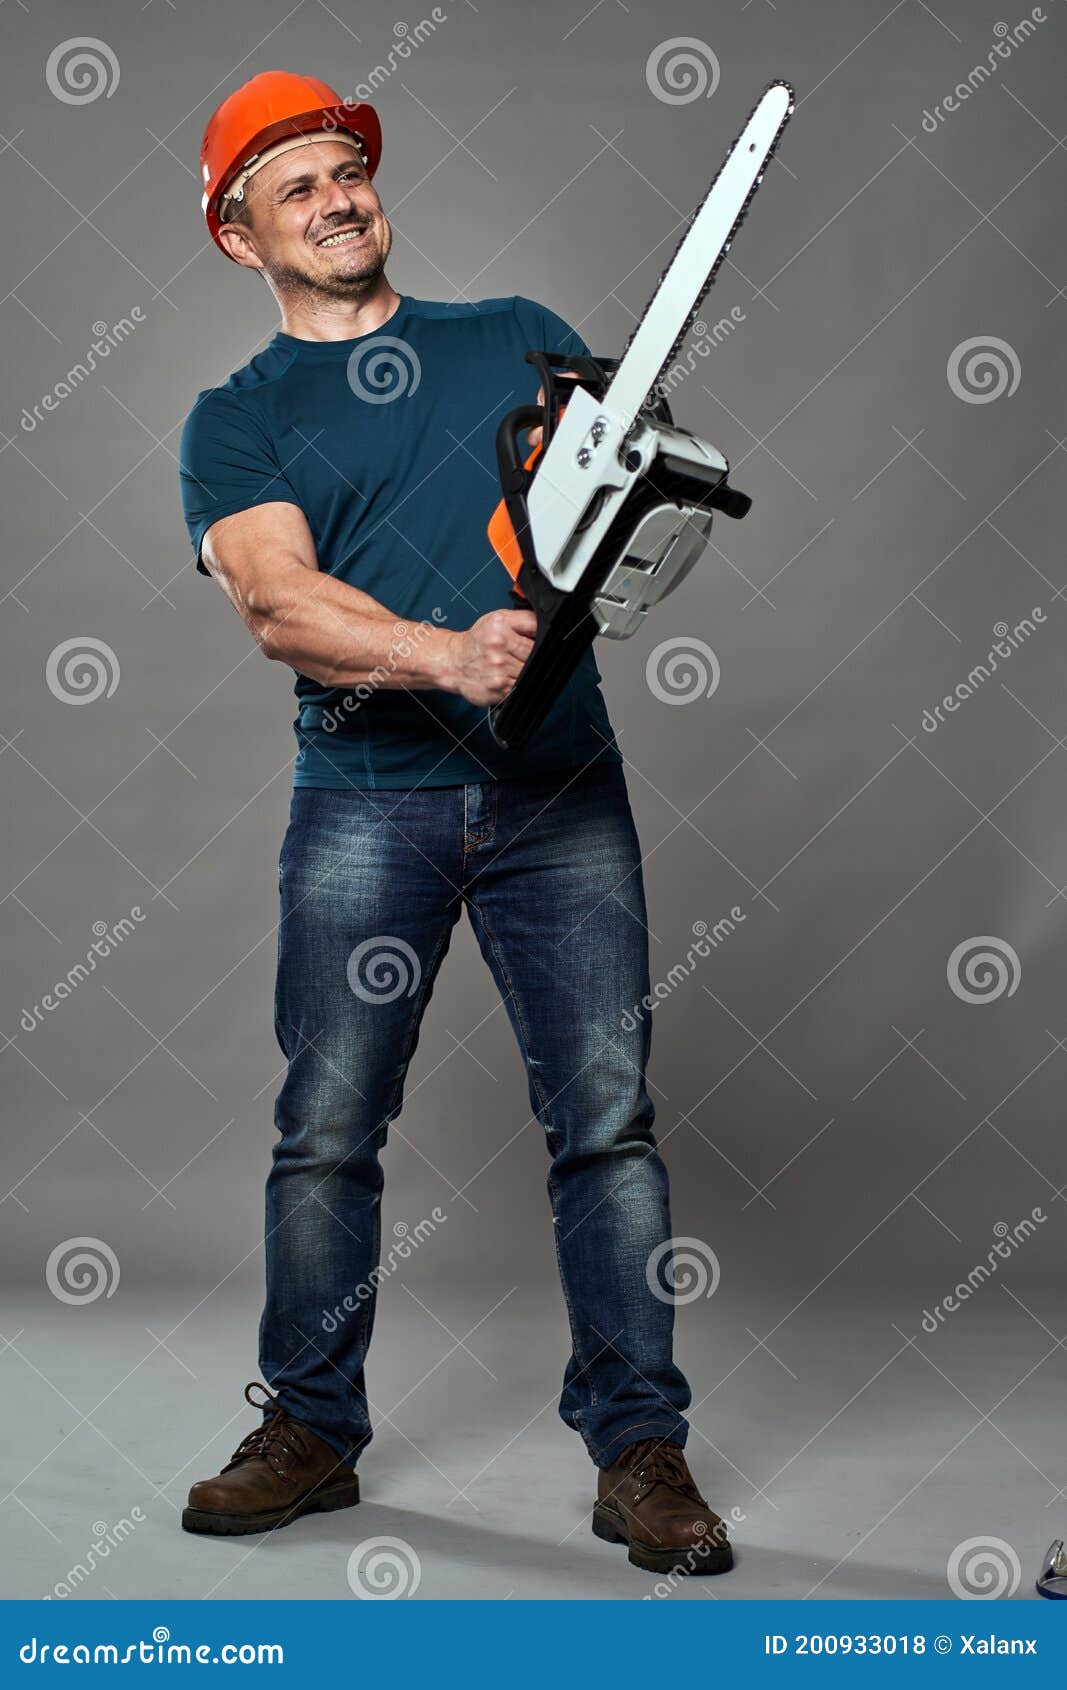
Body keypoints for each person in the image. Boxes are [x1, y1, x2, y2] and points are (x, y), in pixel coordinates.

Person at [177, 71, 730, 1577]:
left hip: (563, 794)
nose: (338, 196)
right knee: (328, 1129)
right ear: (242, 237)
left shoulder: (512, 336)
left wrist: (639, 502)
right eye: (295, 186)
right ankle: (309, 1423)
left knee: (606, 1123)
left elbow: (619, 510)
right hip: (365, 806)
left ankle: (639, 1446)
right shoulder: (235, 422)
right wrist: (443, 652)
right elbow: (281, 605)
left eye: (347, 168)